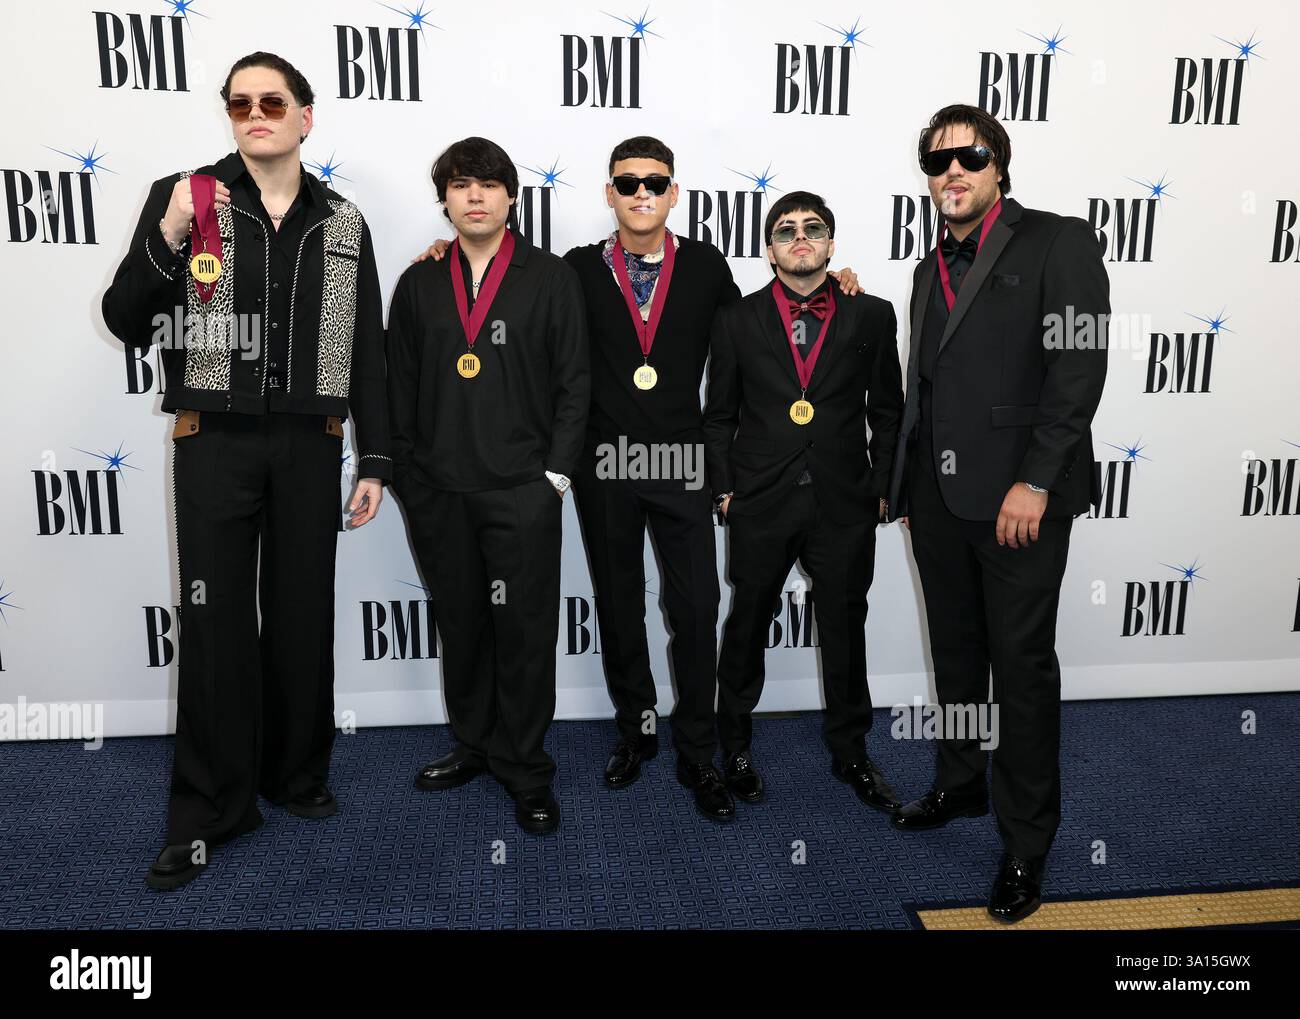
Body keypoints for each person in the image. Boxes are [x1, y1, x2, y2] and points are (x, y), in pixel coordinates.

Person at [419, 137, 866, 821]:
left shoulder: (708, 266)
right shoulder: (576, 269)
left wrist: (830, 284)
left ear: (673, 193)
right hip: (604, 464)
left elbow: (762, 325)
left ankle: (697, 748)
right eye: (627, 183)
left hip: (683, 461)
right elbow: (517, 301)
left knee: (692, 610)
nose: (640, 194)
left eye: (654, 182)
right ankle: (636, 730)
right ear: (609, 193)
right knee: (620, 604)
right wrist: (440, 255)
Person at [101, 52, 391, 890]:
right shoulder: (188, 197)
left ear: (307, 116)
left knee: (303, 612)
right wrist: (165, 239)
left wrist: (374, 458)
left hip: (310, 441)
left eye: (272, 101)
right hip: (213, 438)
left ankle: (295, 774)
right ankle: (209, 807)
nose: (254, 113)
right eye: (239, 103)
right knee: (215, 621)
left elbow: (366, 349)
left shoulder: (343, 220)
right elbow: (126, 318)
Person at [886, 104, 1109, 923]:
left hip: (1021, 500)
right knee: (957, 655)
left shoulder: (1060, 241)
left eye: (969, 157)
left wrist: (1038, 480)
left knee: (1020, 667)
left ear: (999, 167)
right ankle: (957, 782)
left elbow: (1078, 366)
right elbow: (929, 388)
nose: (952, 172)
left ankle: (1026, 841)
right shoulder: (924, 268)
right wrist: (909, 486)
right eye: (937, 161)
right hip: (938, 502)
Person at [386, 137, 589, 835]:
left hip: (522, 492)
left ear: (511, 197)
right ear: (445, 197)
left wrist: (554, 476)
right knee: (463, 625)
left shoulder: (551, 277)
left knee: (524, 633)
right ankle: (474, 743)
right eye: (460, 184)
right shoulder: (419, 283)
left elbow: (575, 383)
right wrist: (410, 475)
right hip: (440, 491)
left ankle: (528, 767)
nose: (474, 195)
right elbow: (399, 382)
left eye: (488, 183)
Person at [704, 191, 903, 811]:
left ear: (831, 243)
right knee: (746, 625)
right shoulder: (736, 319)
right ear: (769, 249)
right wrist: (725, 490)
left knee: (846, 627)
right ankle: (734, 744)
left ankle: (852, 751)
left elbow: (888, 412)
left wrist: (883, 489)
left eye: (813, 229)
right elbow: (720, 416)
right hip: (761, 499)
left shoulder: (872, 315)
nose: (800, 238)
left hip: (845, 501)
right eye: (786, 230)